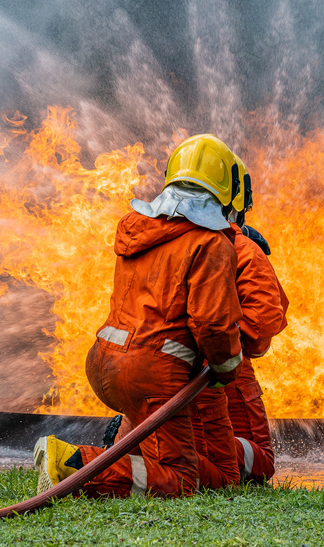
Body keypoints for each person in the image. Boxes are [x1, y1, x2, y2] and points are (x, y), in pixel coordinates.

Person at [33, 133, 244, 497]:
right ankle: (74, 464)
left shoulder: (137, 229)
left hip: (104, 363)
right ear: (227, 189)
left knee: (151, 451)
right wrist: (228, 368)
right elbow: (212, 324)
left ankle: (106, 457)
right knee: (179, 477)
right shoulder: (211, 243)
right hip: (151, 377)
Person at [192, 153, 288, 486]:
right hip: (218, 370)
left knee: (179, 430)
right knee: (260, 461)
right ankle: (159, 446)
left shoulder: (157, 243)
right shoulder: (241, 248)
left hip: (156, 367)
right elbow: (262, 327)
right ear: (235, 198)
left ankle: (145, 440)